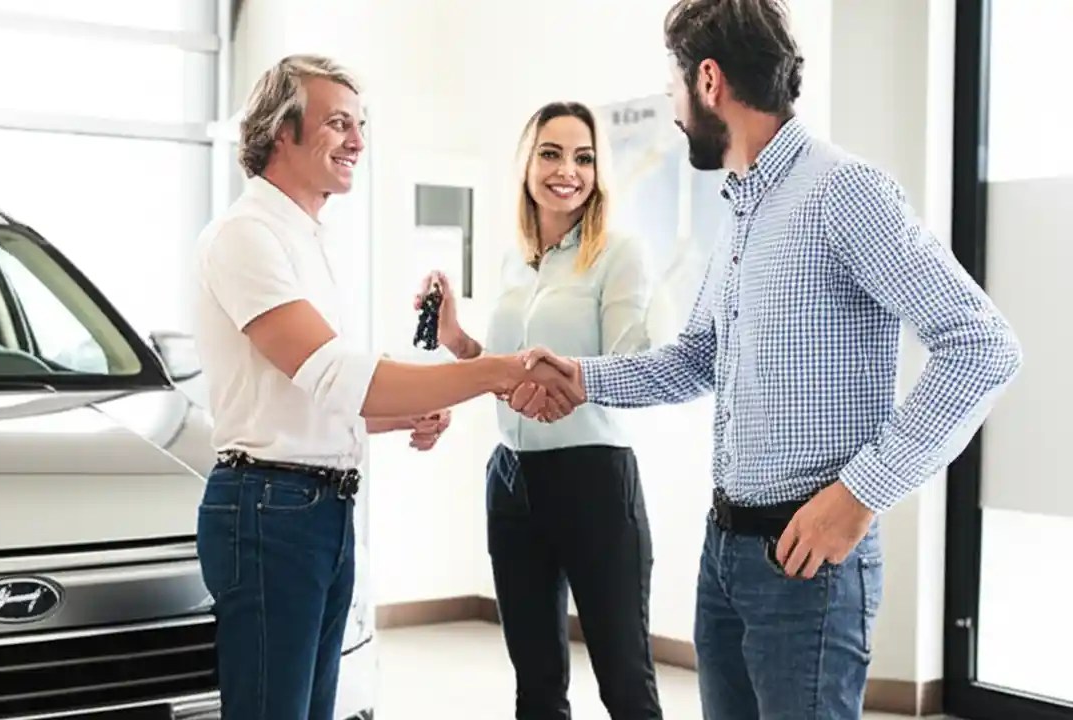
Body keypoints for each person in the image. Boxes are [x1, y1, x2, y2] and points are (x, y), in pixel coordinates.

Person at [512, 1, 1024, 717]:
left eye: (675, 86)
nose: (673, 106)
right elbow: (697, 358)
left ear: (711, 80)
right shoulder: (743, 207)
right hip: (725, 554)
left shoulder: (844, 191)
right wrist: (583, 376)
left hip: (807, 565)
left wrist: (860, 495)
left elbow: (982, 345)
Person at [191, 54, 581, 720]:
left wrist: (405, 416)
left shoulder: (306, 239)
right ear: (281, 133)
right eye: (339, 123)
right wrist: (495, 370)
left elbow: (317, 396)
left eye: (361, 125)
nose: (358, 143)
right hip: (269, 510)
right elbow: (339, 375)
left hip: (318, 509)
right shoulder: (247, 236)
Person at [417, 101, 667, 719]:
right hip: (511, 480)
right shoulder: (515, 260)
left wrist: (567, 382)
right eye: (551, 153)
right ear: (526, 163)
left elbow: (634, 366)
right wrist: (456, 341)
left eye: (583, 157)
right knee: (536, 682)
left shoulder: (619, 253)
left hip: (594, 480)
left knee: (624, 681)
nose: (567, 170)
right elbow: (502, 368)